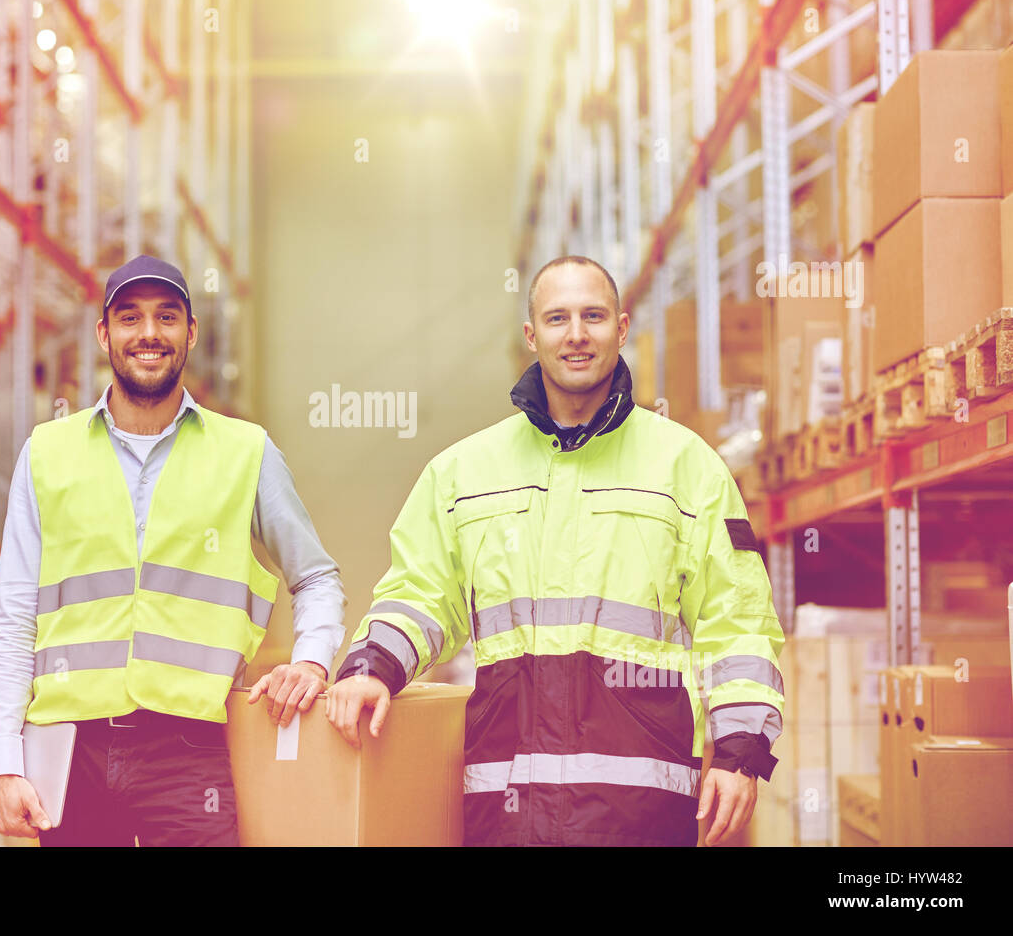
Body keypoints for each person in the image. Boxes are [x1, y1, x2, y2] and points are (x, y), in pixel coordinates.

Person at [325, 255, 785, 846]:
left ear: (621, 329)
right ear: (531, 335)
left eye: (593, 316)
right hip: (506, 807)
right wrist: (371, 669)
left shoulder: (686, 466)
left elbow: (737, 621)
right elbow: (419, 593)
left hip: (641, 811)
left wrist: (739, 751)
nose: (575, 334)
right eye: (557, 317)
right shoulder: (464, 471)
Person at [0, 255, 345, 846]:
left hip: (189, 752)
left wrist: (312, 660)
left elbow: (316, 577)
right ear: (104, 335)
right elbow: (15, 617)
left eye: (167, 317)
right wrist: (0, 759)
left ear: (190, 333)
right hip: (70, 750)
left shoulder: (245, 452)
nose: (149, 333)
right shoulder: (46, 453)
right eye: (130, 318)